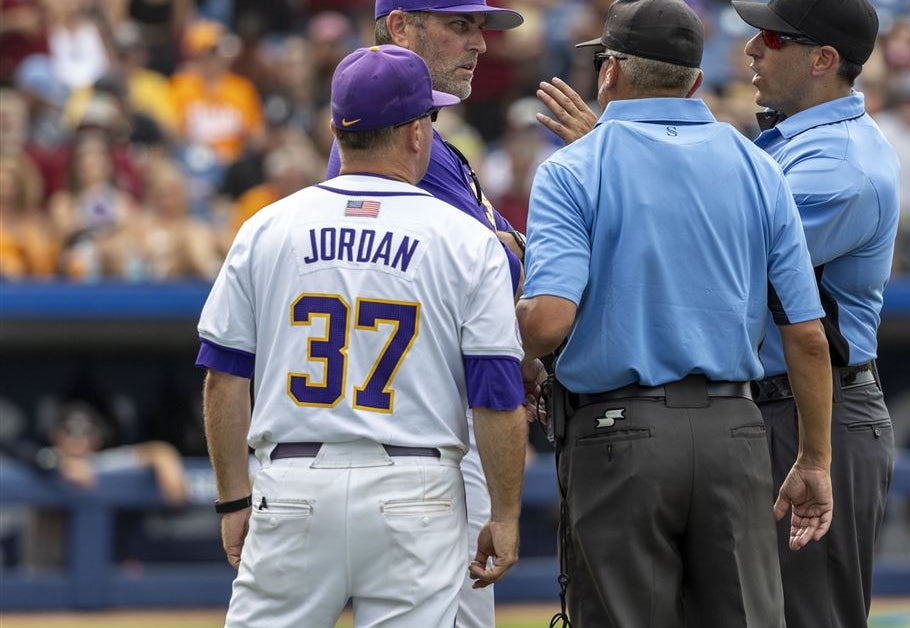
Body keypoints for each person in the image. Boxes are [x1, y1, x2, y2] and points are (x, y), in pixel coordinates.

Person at [516, 0, 834, 625]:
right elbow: (807, 336)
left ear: (610, 71)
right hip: (733, 431)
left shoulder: (574, 167)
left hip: (617, 433)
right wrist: (815, 459)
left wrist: (509, 319)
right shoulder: (758, 166)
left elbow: (547, 321)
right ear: (695, 81)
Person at [197, 45, 527, 627]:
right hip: (416, 490)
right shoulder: (466, 239)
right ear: (417, 133)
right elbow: (496, 396)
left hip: (292, 482)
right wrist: (503, 512)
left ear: (336, 130)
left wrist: (233, 498)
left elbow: (224, 377)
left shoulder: (266, 227)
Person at [325, 4, 529, 626]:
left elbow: (507, 257)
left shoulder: (432, 146)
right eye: (459, 26)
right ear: (400, 28)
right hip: (422, 428)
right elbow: (501, 270)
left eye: (479, 28)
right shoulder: (397, 155)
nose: (480, 45)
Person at [731, 1, 901, 626]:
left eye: (772, 38)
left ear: (823, 59)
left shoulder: (837, 165)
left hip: (815, 418)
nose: (752, 48)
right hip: (778, 408)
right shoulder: (800, 142)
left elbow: (721, 265)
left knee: (810, 618)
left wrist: (614, 171)